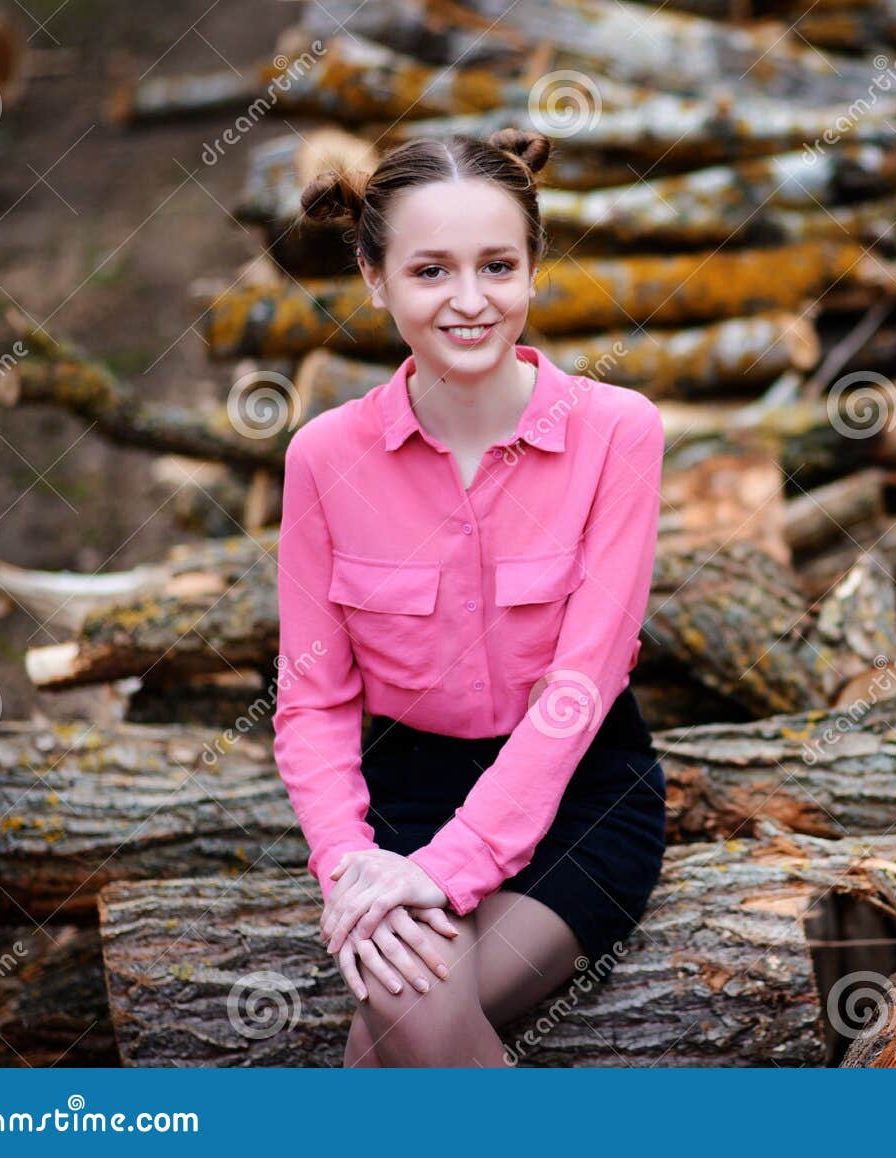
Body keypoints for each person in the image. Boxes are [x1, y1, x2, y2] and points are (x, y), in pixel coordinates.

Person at [270, 128, 667, 1067]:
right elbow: (312, 703)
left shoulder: (619, 433)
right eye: (430, 270)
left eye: (497, 265)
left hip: (581, 793)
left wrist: (443, 874)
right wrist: (351, 866)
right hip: (406, 797)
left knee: (385, 1047)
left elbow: (581, 688)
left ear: (534, 268)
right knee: (399, 1028)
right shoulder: (324, 458)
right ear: (374, 277)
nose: (470, 301)